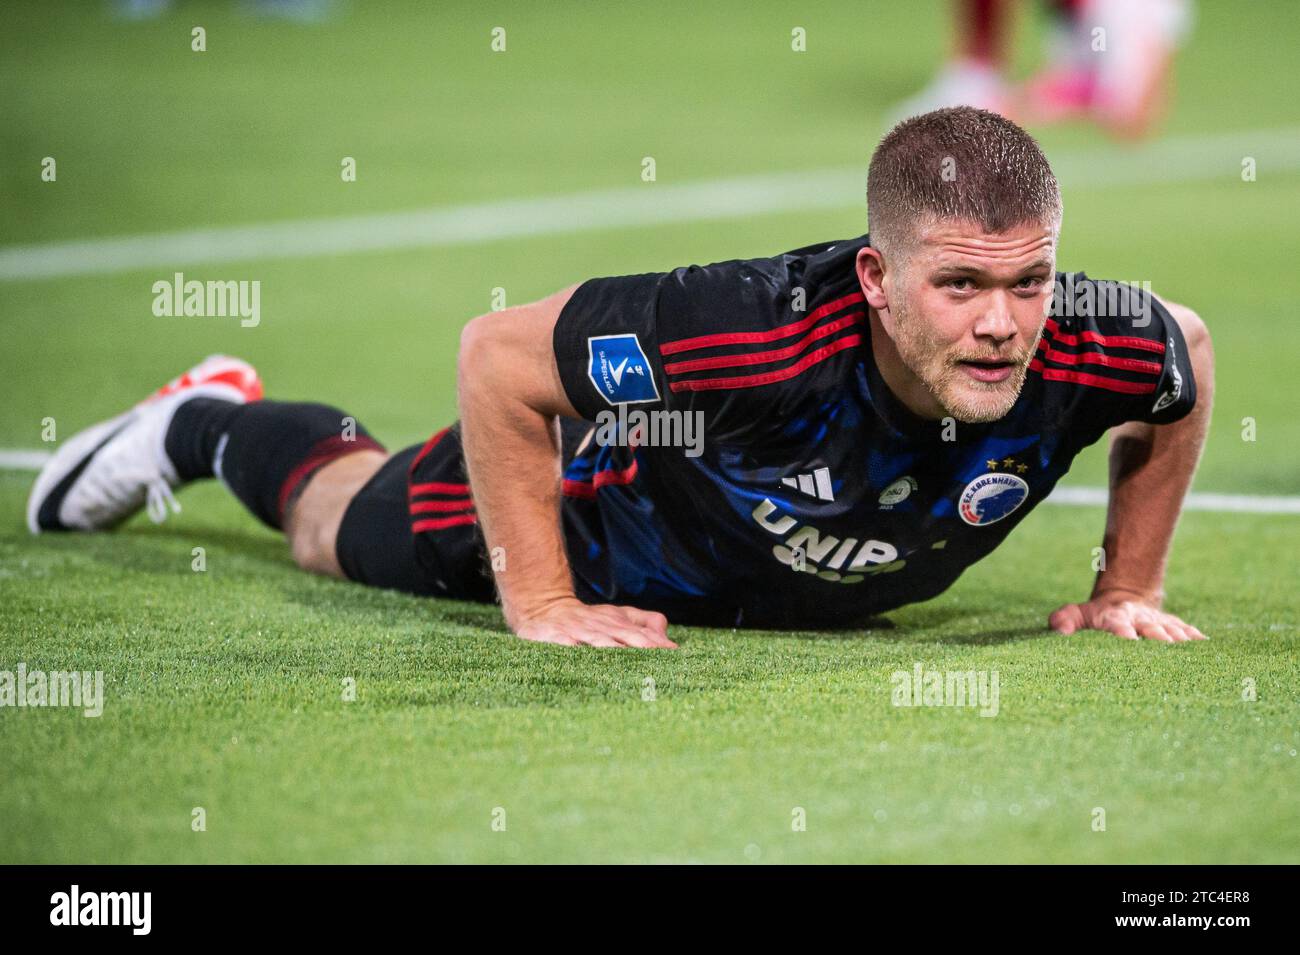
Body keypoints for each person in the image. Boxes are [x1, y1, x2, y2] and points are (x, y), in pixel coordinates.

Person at [29, 107, 1213, 648]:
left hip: (790, 575)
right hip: (612, 511)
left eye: (1030, 282)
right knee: (328, 520)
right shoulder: (743, 332)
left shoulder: (1093, 335)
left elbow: (1190, 358)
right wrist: (540, 599)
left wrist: (1127, 583)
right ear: (875, 275)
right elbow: (496, 354)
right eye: (960, 286)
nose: (1005, 324)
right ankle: (203, 419)